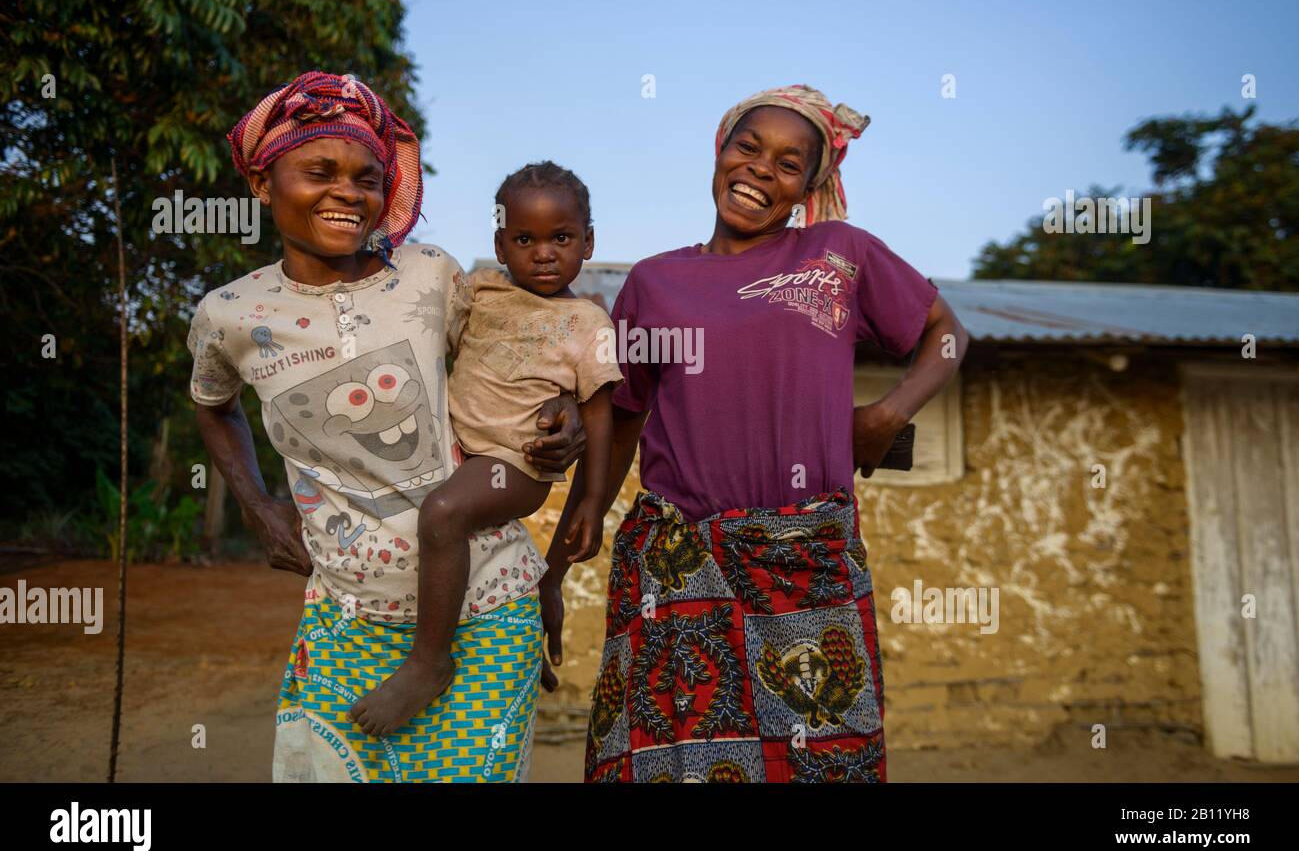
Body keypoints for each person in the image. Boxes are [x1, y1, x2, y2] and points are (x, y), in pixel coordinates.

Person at [542, 84, 969, 782]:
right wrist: (556, 568)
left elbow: (947, 335)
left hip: (806, 561)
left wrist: (889, 413)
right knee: (672, 763)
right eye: (749, 146)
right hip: (678, 568)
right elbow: (621, 421)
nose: (762, 169)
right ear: (720, 149)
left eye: (788, 161)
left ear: (809, 184)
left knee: (825, 758)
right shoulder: (655, 284)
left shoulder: (840, 256)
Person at [187, 71, 586, 782]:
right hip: (343, 615)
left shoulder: (430, 275)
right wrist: (259, 506)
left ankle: (433, 664)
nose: (349, 192)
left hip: (489, 605)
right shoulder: (230, 314)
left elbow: (517, 351)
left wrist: (569, 410)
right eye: (319, 171)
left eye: (367, 178)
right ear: (261, 182)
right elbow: (212, 404)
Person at [348, 161, 623, 737]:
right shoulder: (482, 291)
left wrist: (593, 503)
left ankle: (429, 663)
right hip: (454, 447)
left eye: (562, 238)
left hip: (515, 464)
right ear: (500, 244)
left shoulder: (589, 320)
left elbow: (601, 416)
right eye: (525, 239)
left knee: (443, 514)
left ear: (589, 241)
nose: (543, 253)